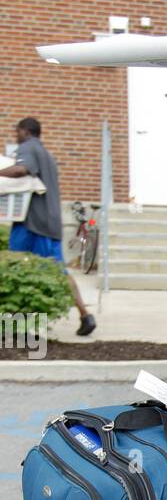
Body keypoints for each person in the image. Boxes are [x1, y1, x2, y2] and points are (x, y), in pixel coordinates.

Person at [0, 118, 96, 336]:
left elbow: (20, 170)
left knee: (16, 267)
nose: (16, 135)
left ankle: (19, 327)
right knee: (59, 271)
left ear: (25, 131)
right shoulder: (47, 155)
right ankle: (85, 315)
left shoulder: (28, 147)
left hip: (32, 223)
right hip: (50, 222)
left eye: (17, 131)